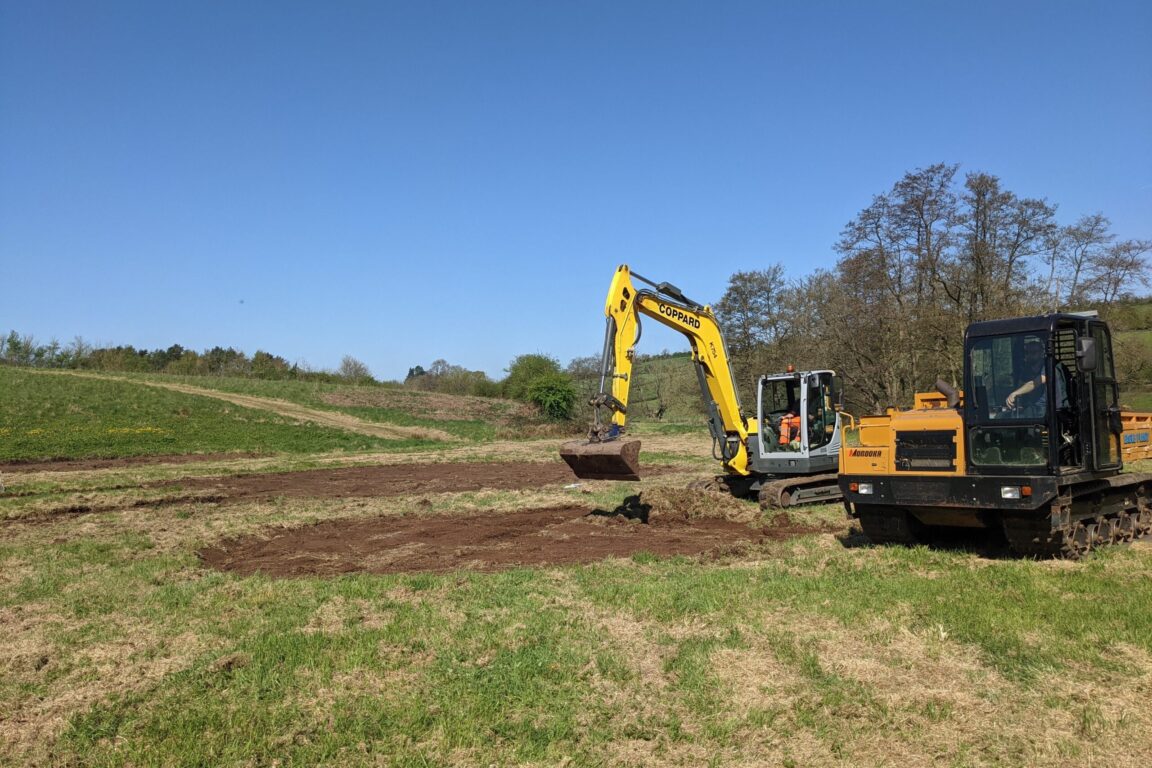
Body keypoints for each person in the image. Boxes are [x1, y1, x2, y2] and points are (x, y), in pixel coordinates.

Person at [1005, 338, 1047, 410]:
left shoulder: (1048, 365)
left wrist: (1015, 393)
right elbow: (1020, 386)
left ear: (1041, 353)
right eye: (1027, 353)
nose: (1029, 355)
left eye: (1033, 352)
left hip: (1048, 408)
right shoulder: (1027, 369)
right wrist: (1013, 399)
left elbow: (1036, 382)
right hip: (1032, 407)